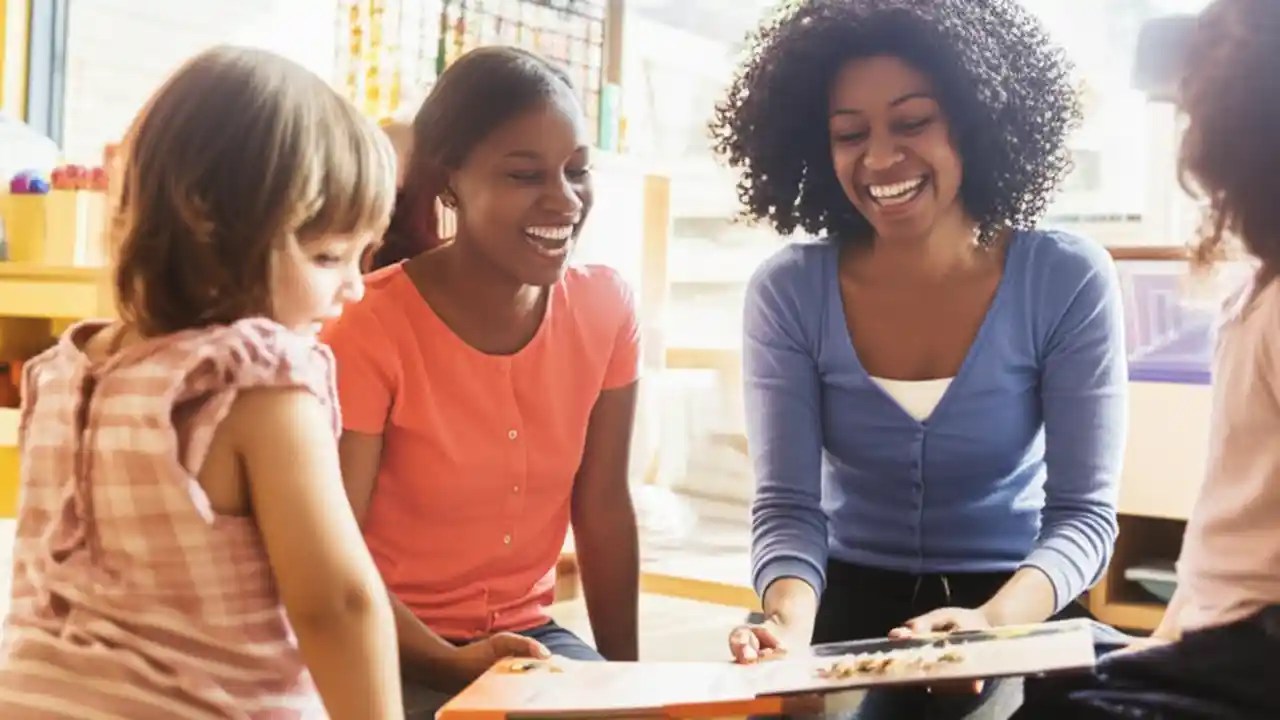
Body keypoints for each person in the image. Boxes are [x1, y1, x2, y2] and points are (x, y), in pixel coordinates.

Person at [711, 0, 1127, 717]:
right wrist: (784, 621)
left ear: (975, 118)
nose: (878, 159)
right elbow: (787, 506)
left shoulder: (1065, 277)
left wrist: (994, 625)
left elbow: (1084, 514)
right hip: (839, 600)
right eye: (850, 133)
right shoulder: (789, 290)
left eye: (912, 123)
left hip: (1015, 598)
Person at [0, 46, 402, 719]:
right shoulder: (257, 379)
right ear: (211, 225)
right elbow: (337, 603)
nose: (354, 287)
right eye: (329, 256)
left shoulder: (61, 373)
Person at [321, 46, 641, 718]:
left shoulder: (606, 307)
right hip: (389, 645)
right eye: (525, 174)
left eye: (577, 171)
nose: (563, 199)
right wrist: (450, 659)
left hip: (530, 645)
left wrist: (631, 684)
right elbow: (334, 558)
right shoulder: (367, 327)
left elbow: (604, 507)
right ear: (450, 183)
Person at [1013, 2, 1280, 716]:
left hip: (1251, 652)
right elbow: (1223, 557)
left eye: (1192, 116)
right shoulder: (1258, 288)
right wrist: (1155, 649)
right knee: (1051, 668)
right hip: (1211, 634)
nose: (1187, 143)